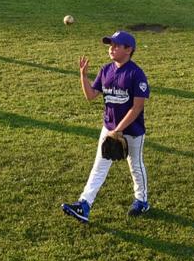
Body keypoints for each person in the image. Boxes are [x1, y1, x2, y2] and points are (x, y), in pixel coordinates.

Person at [61, 30, 150, 223]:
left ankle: (142, 201)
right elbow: (91, 96)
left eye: (116, 45)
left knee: (135, 165)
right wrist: (83, 76)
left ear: (129, 50)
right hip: (109, 128)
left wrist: (119, 129)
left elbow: (137, 107)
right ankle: (84, 204)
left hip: (132, 131)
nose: (111, 48)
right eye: (110, 45)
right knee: (99, 167)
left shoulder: (136, 74)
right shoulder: (106, 70)